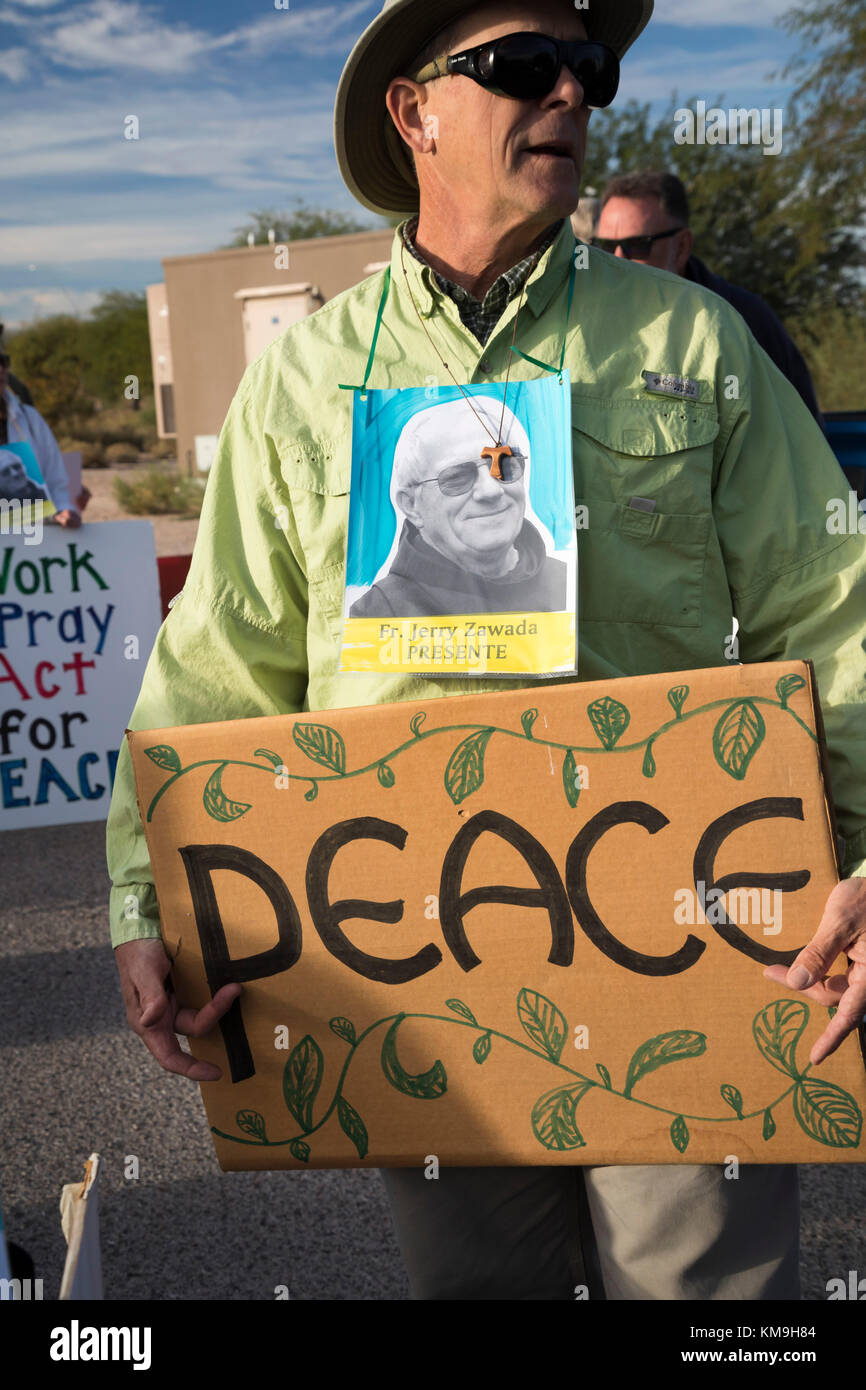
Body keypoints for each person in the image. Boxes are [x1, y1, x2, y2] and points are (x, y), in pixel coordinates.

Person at [107, 0, 866, 1302]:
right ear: (413, 113)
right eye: (525, 65)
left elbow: (832, 607)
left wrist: (855, 848)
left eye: (587, 68)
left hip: (686, 940)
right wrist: (153, 902)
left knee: (710, 1308)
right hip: (418, 959)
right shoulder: (306, 382)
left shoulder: (689, 342)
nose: (569, 94)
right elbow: (218, 661)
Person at [595, 169, 823, 423]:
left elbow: (795, 439)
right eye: (603, 247)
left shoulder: (742, 324)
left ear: (682, 247)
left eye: (637, 246)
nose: (616, 260)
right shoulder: (586, 320)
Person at [349, 397, 567, 617]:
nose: (491, 490)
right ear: (411, 505)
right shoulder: (377, 616)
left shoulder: (566, 583)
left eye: (503, 464)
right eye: (457, 477)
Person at [0, 348, 82, 527]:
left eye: (2, 362)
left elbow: (55, 478)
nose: (0, 369)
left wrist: (63, 511)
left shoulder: (29, 418)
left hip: (33, 543)